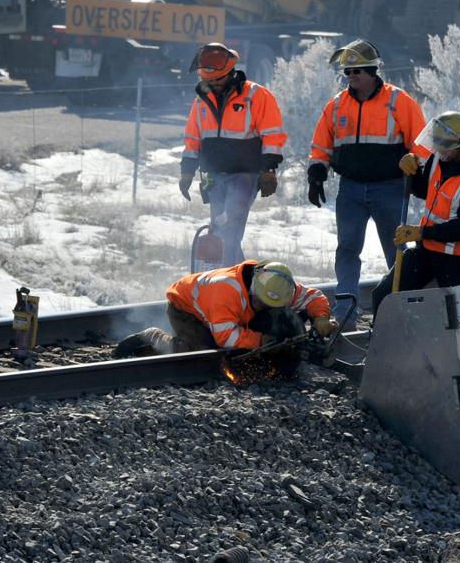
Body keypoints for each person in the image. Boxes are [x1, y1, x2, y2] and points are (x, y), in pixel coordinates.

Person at [308, 39, 427, 328]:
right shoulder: (336, 105)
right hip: (350, 188)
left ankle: (399, 308)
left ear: (372, 71)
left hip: (390, 188)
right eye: (347, 72)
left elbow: (422, 143)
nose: (351, 77)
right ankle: (346, 308)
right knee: (347, 247)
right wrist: (316, 172)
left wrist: (417, 167)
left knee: (395, 248)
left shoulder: (399, 101)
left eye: (357, 71)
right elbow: (321, 144)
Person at [372, 111, 460, 310]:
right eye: (437, 144)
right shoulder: (438, 160)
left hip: (457, 260)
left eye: (445, 146)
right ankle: (389, 337)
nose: (440, 151)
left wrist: (422, 232)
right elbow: (424, 189)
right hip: (427, 250)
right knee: (385, 295)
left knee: (457, 315)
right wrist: (410, 169)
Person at [179, 43, 286, 266]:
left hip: (245, 176)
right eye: (209, 81)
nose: (213, 85)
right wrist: (187, 172)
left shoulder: (256, 95)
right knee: (221, 231)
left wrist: (268, 170)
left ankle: (227, 285)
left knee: (229, 231)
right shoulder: (201, 102)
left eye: (217, 80)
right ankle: (245, 281)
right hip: (214, 177)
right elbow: (192, 138)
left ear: (230, 74)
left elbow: (272, 134)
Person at [113, 260, 336, 358]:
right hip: (187, 309)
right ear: (253, 289)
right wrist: (261, 342)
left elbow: (311, 296)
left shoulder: (276, 283)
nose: (266, 307)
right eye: (263, 303)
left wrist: (321, 318)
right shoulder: (226, 292)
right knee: (200, 353)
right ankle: (153, 337)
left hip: (227, 314)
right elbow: (226, 337)